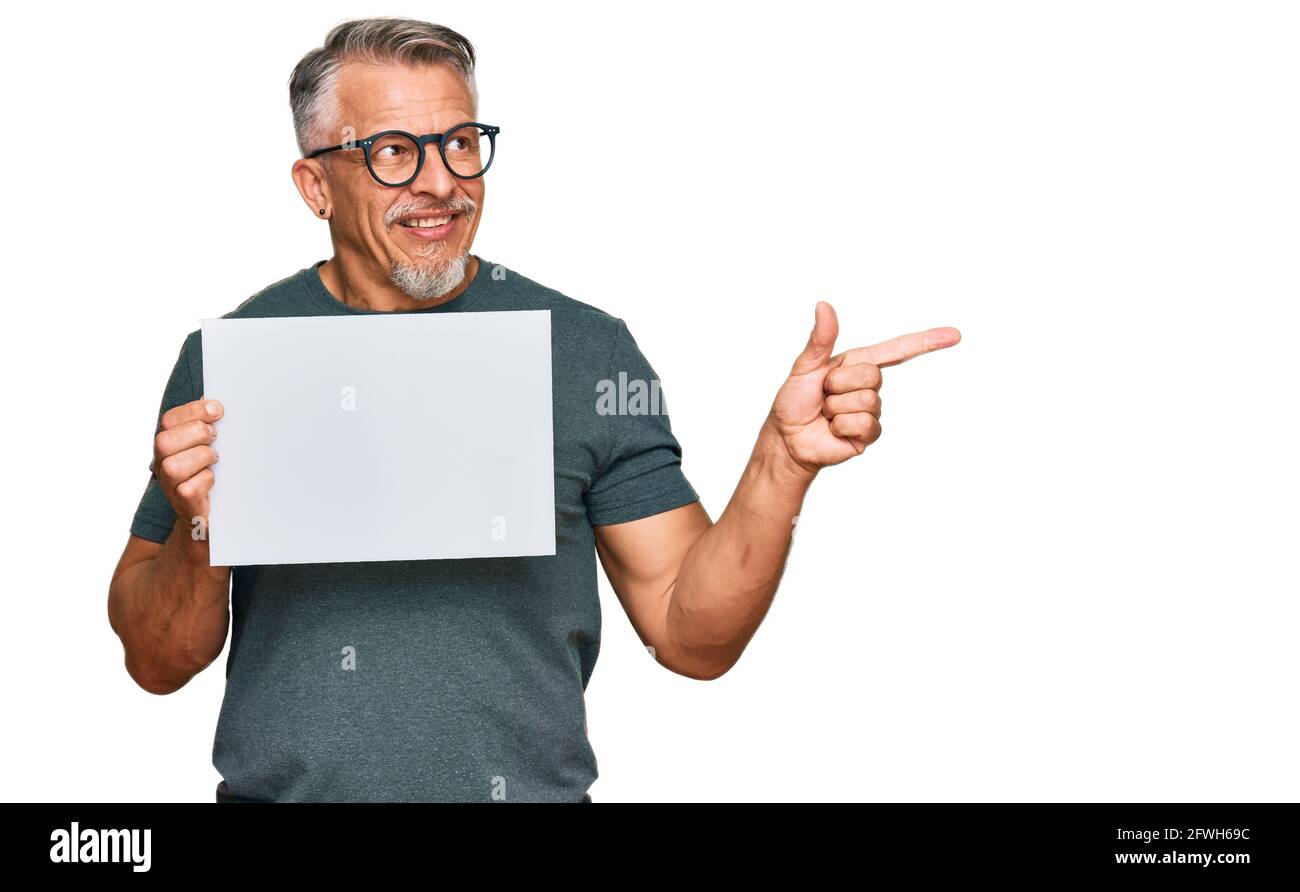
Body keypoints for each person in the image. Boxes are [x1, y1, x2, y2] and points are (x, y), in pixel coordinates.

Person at [107, 17, 961, 803]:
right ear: (314, 185)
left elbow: (691, 635)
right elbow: (155, 661)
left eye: (461, 143)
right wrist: (205, 529)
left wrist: (781, 462)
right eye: (395, 152)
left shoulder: (586, 349)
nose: (442, 182)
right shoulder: (230, 360)